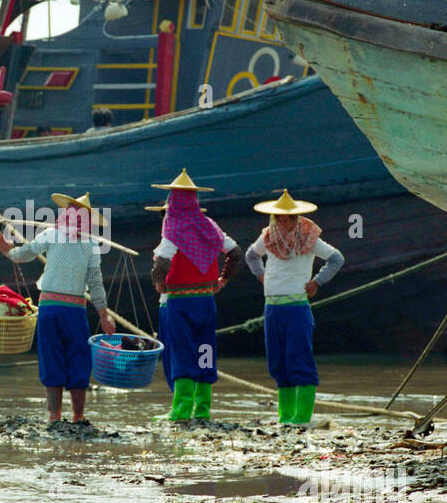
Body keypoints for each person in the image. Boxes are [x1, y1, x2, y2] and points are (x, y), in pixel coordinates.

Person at [0, 192, 115, 427]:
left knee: (55, 356)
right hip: (71, 310)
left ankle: (57, 415)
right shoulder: (87, 242)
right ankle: (74, 416)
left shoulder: (57, 235)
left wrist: (8, 250)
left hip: (53, 308)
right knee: (76, 357)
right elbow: (96, 282)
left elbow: (23, 255)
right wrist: (104, 315)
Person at [147, 169, 241, 423]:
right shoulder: (209, 225)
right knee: (205, 347)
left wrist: (159, 284)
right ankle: (203, 408)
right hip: (206, 300)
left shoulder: (174, 226)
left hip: (180, 301)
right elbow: (235, 252)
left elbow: (163, 260)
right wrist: (222, 280)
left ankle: (181, 409)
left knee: (181, 350)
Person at [245, 189, 344, 427]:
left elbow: (336, 258)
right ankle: (285, 417)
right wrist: (261, 276)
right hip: (272, 309)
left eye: (289, 217)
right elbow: (251, 255)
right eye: (279, 217)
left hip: (297, 308)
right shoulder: (268, 236)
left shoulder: (309, 237)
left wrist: (317, 281)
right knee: (278, 362)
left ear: (297, 218)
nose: (284, 221)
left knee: (299, 358)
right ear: (274, 218)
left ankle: (302, 417)